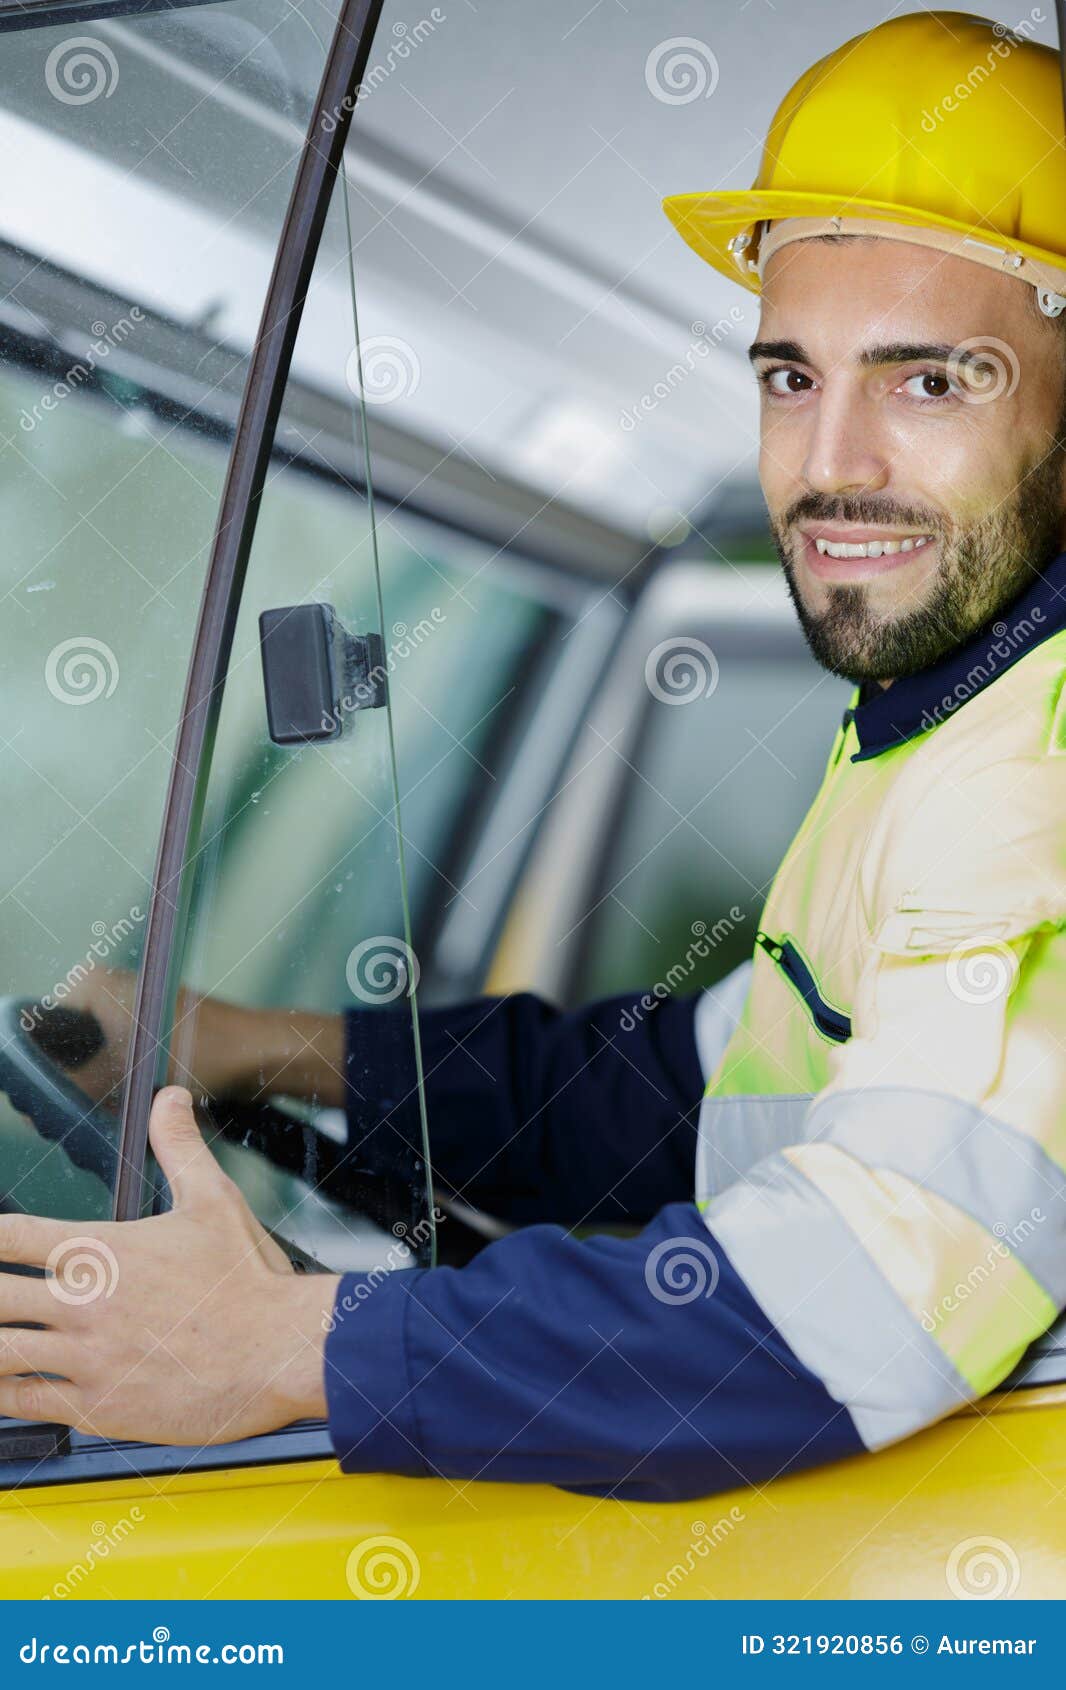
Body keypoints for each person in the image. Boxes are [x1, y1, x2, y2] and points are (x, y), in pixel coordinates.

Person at [2, 8, 1066, 1502]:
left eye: (929, 380)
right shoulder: (936, 718)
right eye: (788, 377)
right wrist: (253, 1043)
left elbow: (845, 1313)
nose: (831, 464)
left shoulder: (1031, 767)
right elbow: (693, 1089)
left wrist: (296, 1344)